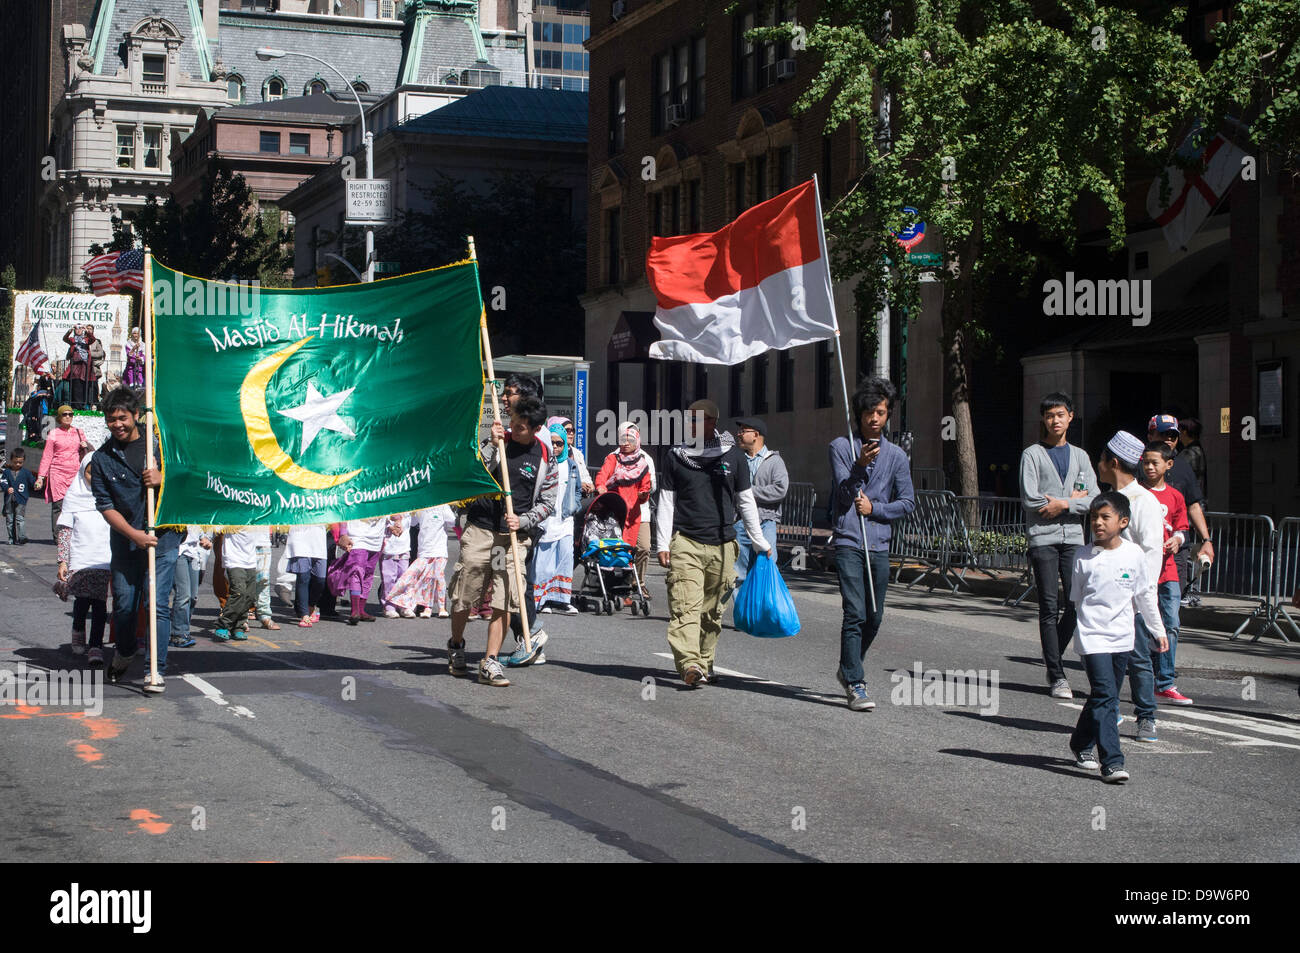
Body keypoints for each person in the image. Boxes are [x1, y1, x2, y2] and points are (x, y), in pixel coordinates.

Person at [655, 398, 770, 687]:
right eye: (688, 420)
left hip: (723, 544)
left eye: (697, 420)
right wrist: (663, 544)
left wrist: (759, 541)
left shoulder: (733, 456)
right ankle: (689, 663)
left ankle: (705, 661)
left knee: (711, 612)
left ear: (712, 422)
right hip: (686, 543)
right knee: (686, 606)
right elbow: (667, 501)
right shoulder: (675, 456)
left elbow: (745, 501)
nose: (691, 425)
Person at [446, 396, 557, 686]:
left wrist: (524, 521)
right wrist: (493, 446)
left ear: (536, 429)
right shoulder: (496, 441)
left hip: (513, 538)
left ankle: (490, 661)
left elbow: (548, 502)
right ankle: (456, 644)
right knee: (465, 594)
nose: (514, 429)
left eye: (521, 427)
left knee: (506, 597)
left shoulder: (546, 457)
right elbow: (470, 471)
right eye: (513, 423)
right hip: (482, 530)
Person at [829, 378, 916, 710]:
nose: (874, 419)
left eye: (880, 412)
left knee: (874, 616)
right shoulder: (841, 447)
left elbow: (907, 502)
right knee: (855, 612)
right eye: (869, 412)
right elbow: (840, 495)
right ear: (859, 415)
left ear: (888, 413)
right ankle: (855, 682)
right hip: (849, 538)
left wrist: (876, 509)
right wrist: (859, 467)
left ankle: (850, 665)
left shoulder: (896, 455)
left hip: (879, 542)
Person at [1067, 492, 1166, 784]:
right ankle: (1112, 762)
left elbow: (1145, 594)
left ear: (1122, 522)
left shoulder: (1134, 554)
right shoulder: (1082, 556)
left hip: (1122, 637)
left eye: (1104, 517)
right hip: (1092, 637)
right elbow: (1077, 599)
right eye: (1094, 517)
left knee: (1102, 695)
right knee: (1108, 697)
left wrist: (1157, 629)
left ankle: (1080, 742)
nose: (1097, 523)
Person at [89, 387, 182, 692]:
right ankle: (125, 650)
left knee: (157, 604)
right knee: (126, 606)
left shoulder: (160, 445)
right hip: (127, 541)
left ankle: (155, 670)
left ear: (137, 416)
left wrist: (163, 479)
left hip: (164, 537)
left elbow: (188, 480)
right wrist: (134, 535)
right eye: (111, 419)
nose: (117, 424)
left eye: (122, 418)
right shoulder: (102, 459)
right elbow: (105, 506)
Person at [1019, 392, 1099, 698]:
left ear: (1070, 417)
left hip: (1074, 539)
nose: (1055, 420)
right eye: (1050, 415)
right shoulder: (1032, 455)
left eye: (1061, 414)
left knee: (1076, 603)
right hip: (1043, 539)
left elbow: (1093, 497)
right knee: (1049, 606)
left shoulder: (1080, 456)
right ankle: (1056, 674)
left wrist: (1062, 505)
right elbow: (1030, 498)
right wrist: (1071, 503)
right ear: (1044, 419)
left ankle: (1052, 652)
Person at [1097, 431, 1168, 743]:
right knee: (1106, 658)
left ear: (1113, 462)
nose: (1097, 465)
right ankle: (1109, 709)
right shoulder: (1107, 501)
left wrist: (1147, 607)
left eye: (1100, 460)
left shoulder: (1145, 502)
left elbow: (1152, 555)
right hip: (1105, 598)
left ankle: (1146, 716)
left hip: (1134, 599)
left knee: (1137, 659)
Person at [1139, 441, 1193, 706]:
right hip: (1141, 569)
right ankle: (1144, 676)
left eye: (1155, 462)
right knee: (1143, 623)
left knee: (1171, 623)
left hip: (1168, 568)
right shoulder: (1135, 493)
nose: (1149, 467)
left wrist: (1178, 540)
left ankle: (1166, 682)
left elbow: (1182, 527)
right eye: (1145, 462)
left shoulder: (1175, 496)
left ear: (1168, 465)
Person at [1148, 414, 1214, 608]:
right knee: (1145, 610)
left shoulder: (1184, 466)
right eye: (1163, 434)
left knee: (1171, 610)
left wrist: (1206, 540)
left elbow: (1194, 505)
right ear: (1150, 435)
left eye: (1173, 435)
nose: (1169, 438)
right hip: (1145, 548)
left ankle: (1168, 638)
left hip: (1176, 550)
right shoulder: (1139, 465)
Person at [55, 455, 111, 663]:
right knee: (82, 600)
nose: (94, 477)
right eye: (90, 472)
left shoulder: (110, 496)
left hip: (103, 557)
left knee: (99, 602)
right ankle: (78, 630)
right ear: (82, 472)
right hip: (80, 558)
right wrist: (63, 561)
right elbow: (65, 531)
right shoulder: (74, 496)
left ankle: (95, 646)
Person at [595, 423, 653, 606]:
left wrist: (644, 494)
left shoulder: (643, 462)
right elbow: (602, 477)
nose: (626, 442)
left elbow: (646, 486)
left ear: (638, 440)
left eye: (630, 439)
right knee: (615, 550)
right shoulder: (613, 458)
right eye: (623, 439)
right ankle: (614, 589)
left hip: (634, 515)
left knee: (631, 551)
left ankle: (630, 587)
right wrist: (601, 487)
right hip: (614, 513)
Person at [732, 417, 788, 589]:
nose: (738, 434)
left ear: (755, 435)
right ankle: (741, 614)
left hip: (766, 523)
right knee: (738, 574)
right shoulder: (738, 460)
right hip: (740, 522)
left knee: (766, 569)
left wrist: (748, 492)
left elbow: (780, 489)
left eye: (743, 431)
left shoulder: (774, 461)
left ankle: (761, 612)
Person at [536, 424, 580, 615]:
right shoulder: (543, 463)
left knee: (565, 558)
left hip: (565, 519)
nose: (555, 447)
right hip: (547, 520)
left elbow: (577, 488)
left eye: (559, 443)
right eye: (552, 443)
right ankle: (542, 599)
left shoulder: (570, 465)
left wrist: (575, 506)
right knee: (544, 562)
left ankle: (562, 599)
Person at [386, 505, 457, 618]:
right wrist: (396, 524)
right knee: (413, 577)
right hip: (424, 550)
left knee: (439, 578)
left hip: (440, 550)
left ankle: (441, 607)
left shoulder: (443, 506)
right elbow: (411, 522)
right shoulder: (420, 506)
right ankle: (423, 606)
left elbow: (453, 522)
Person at [34, 405, 90, 541]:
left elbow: (86, 452)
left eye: (70, 414)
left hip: (74, 473)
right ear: (59, 417)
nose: (68, 417)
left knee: (75, 504)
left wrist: (85, 445)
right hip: (57, 473)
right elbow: (47, 456)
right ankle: (58, 536)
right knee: (59, 505)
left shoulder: (78, 432)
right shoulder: (53, 433)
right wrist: (41, 477)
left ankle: (73, 535)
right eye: (65, 414)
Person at [328, 517, 387, 624]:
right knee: (356, 571)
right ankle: (355, 611)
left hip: (376, 538)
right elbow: (345, 508)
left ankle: (361, 610)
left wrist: (394, 523)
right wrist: (343, 533)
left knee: (368, 574)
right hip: (357, 536)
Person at [213, 527, 266, 641]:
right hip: (234, 559)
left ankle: (238, 627)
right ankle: (223, 624)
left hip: (250, 560)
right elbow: (216, 525)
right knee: (239, 592)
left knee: (249, 595)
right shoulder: (231, 514)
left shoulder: (255, 517)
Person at [169, 525, 211, 649]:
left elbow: (195, 526)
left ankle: (183, 630)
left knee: (193, 596)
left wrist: (203, 537)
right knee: (183, 594)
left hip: (194, 553)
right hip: (179, 552)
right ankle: (178, 634)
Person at [286, 524, 328, 628]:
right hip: (299, 539)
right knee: (303, 578)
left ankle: (310, 605)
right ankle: (304, 615)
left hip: (318, 542)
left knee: (320, 581)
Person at [380, 513, 413, 618]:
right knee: (389, 579)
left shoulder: (408, 506)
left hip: (404, 546)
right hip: (388, 548)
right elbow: (379, 518)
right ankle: (389, 606)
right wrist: (390, 526)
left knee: (403, 578)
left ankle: (403, 605)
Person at [2, 449, 35, 545]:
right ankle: (11, 538)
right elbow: (3, 482)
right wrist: (7, 488)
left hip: (21, 499)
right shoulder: (7, 472)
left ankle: (21, 537)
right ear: (11, 460)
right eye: (15, 462)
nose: (17, 464)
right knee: (10, 519)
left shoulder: (26, 472)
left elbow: (32, 482)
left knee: (20, 518)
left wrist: (37, 484)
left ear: (23, 461)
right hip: (9, 499)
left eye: (20, 462)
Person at [62, 324, 98, 409]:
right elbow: (65, 339)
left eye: (80, 329)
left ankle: (83, 405)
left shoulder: (86, 340)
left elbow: (93, 339)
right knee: (75, 385)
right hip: (75, 366)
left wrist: (86, 330)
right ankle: (76, 405)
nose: (78, 330)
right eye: (77, 329)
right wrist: (70, 330)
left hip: (84, 366)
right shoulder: (72, 340)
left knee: (84, 386)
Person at [123, 326, 145, 390]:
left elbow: (145, 355)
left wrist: (140, 358)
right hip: (131, 368)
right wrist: (134, 348)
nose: (136, 335)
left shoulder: (143, 345)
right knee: (131, 386)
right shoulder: (128, 344)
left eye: (137, 333)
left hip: (139, 368)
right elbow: (129, 355)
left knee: (139, 386)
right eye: (134, 333)